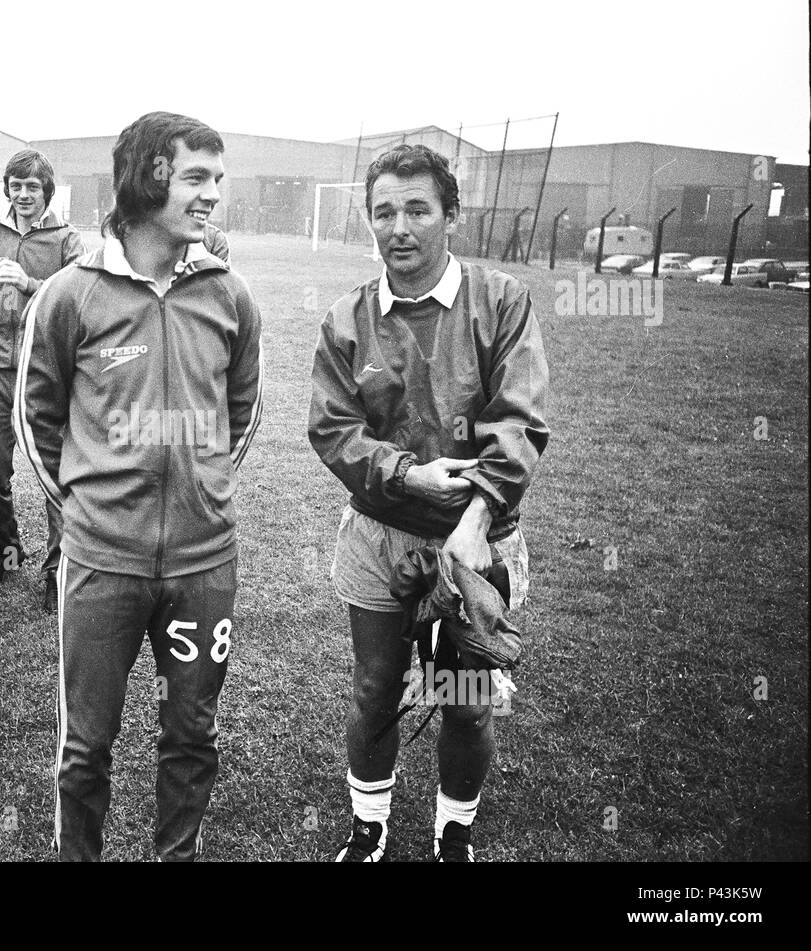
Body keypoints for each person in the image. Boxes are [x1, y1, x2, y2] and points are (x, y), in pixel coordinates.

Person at [15, 112, 263, 861]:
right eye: (197, 177)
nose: (212, 195)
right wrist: (91, 509)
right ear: (149, 177)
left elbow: (243, 413)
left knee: (192, 736)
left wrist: (201, 493)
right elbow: (36, 415)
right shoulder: (69, 293)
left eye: (217, 179)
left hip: (202, 563)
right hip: (101, 564)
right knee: (86, 746)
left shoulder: (229, 294)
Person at [308, 143, 549, 862]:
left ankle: (455, 830)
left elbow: (522, 421)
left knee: (466, 698)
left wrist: (475, 522)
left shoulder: (501, 300)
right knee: (376, 687)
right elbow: (332, 428)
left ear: (452, 214)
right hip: (382, 536)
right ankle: (369, 827)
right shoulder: (348, 318)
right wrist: (408, 476)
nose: (400, 227)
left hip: (476, 543)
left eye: (418, 209)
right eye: (384, 211)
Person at [0, 149, 84, 611]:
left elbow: (76, 306)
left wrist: (30, 282)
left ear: (47, 190)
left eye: (32, 186)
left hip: (49, 372)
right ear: (7, 189)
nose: (23, 194)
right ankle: (8, 552)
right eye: (16, 185)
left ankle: (55, 571)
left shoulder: (69, 240)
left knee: (56, 477)